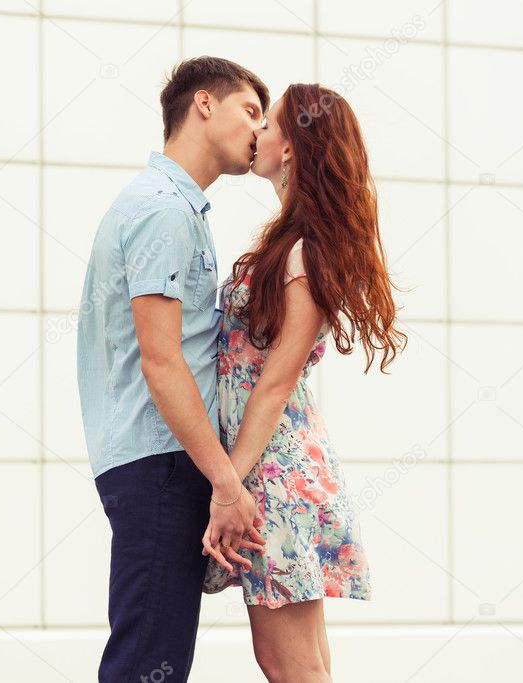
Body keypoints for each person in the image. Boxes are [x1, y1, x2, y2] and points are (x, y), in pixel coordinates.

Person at [202, 83, 407, 683]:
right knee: (306, 666)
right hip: (277, 466)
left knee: (289, 666)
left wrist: (225, 486)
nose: (256, 131)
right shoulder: (291, 241)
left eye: (267, 123)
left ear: (291, 148)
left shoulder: (305, 253)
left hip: (275, 474)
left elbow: (272, 386)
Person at [75, 56, 270, 682]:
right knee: (145, 666)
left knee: (148, 659)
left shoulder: (167, 206)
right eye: (251, 111)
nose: (260, 131)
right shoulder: (163, 210)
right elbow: (162, 363)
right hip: (163, 462)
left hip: (152, 461)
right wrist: (227, 484)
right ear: (204, 104)